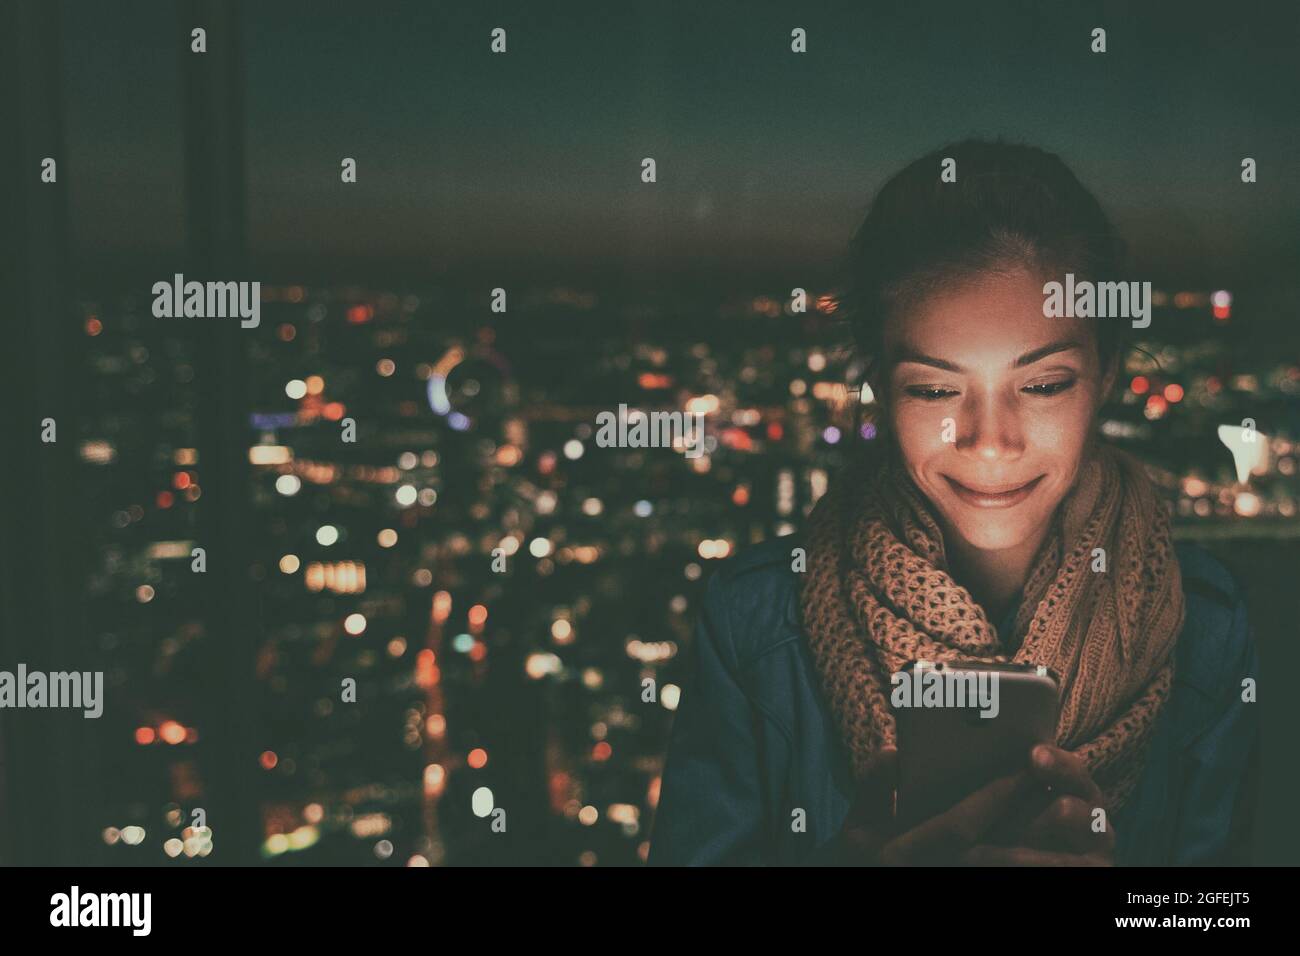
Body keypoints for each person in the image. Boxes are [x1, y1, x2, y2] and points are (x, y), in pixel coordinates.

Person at [649, 140, 1261, 866]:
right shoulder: (755, 624)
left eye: (1043, 385)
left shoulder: (1207, 629)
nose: (990, 441)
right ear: (878, 386)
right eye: (936, 390)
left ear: (1108, 375)